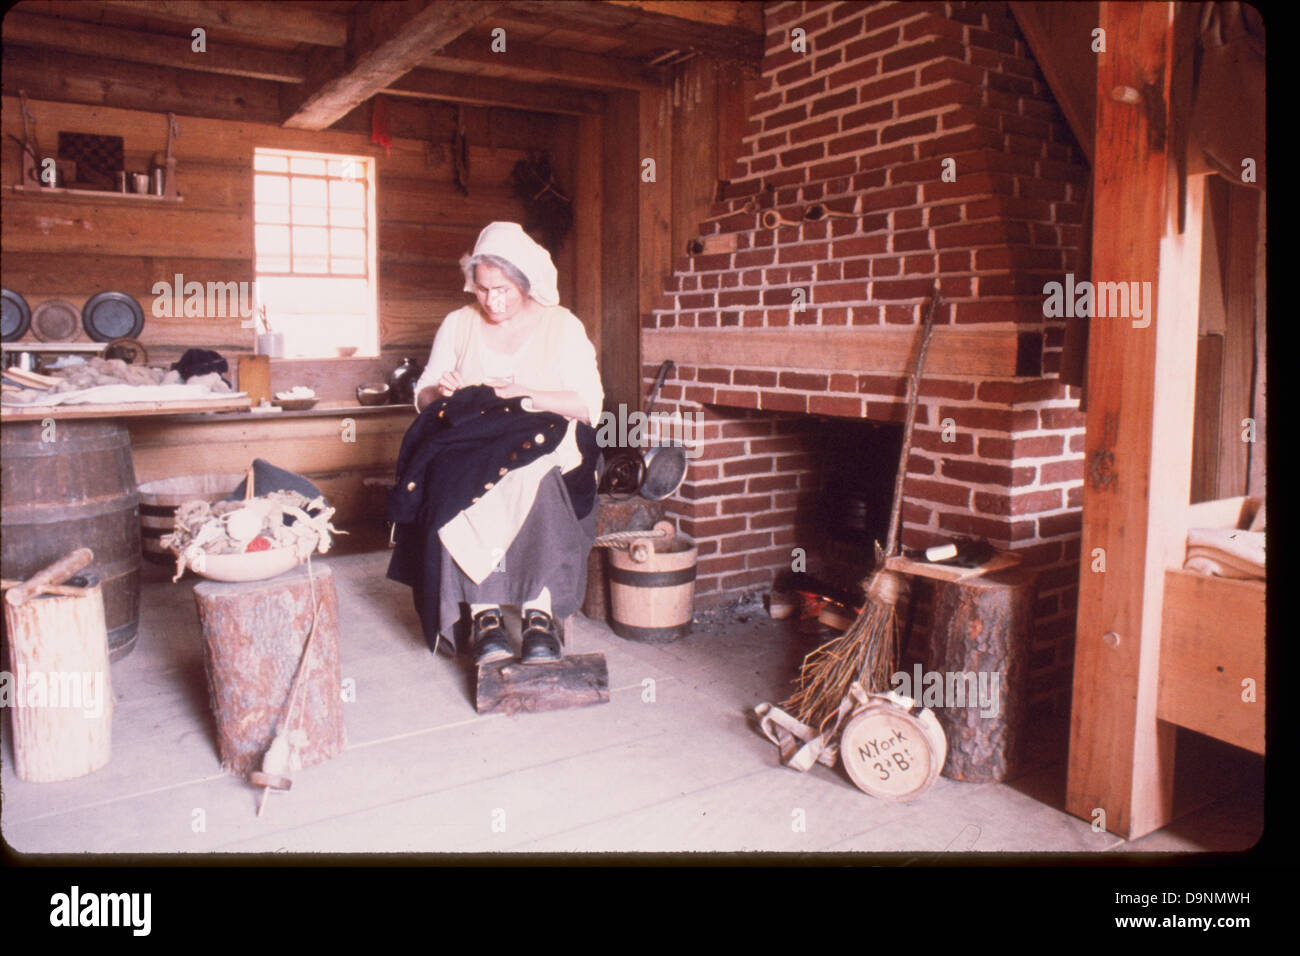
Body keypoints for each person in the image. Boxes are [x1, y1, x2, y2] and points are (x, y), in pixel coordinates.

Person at [387, 222, 603, 668]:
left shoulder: (561, 326)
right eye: (483, 290)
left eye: (503, 289)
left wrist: (526, 394)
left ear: (525, 282)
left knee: (532, 473)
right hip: (475, 438)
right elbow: (425, 394)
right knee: (454, 475)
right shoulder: (458, 324)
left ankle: (538, 613)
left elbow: (589, 405)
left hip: (548, 432)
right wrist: (438, 395)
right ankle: (484, 615)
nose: (492, 301)